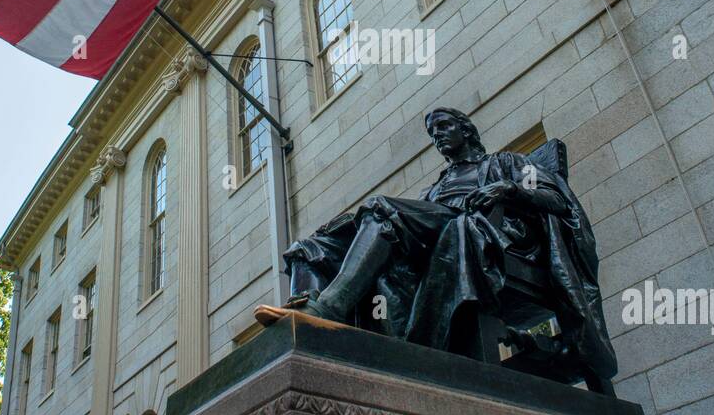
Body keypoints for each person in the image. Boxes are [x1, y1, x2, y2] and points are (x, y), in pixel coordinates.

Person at [255, 107, 616, 389]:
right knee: (312, 244)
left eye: (444, 127)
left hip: (489, 236)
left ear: (467, 130)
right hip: (441, 238)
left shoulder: (504, 164)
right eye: (433, 132)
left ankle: (329, 309)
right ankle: (302, 330)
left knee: (382, 210)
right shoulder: (435, 188)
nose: (437, 136)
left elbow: (555, 198)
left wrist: (506, 189)